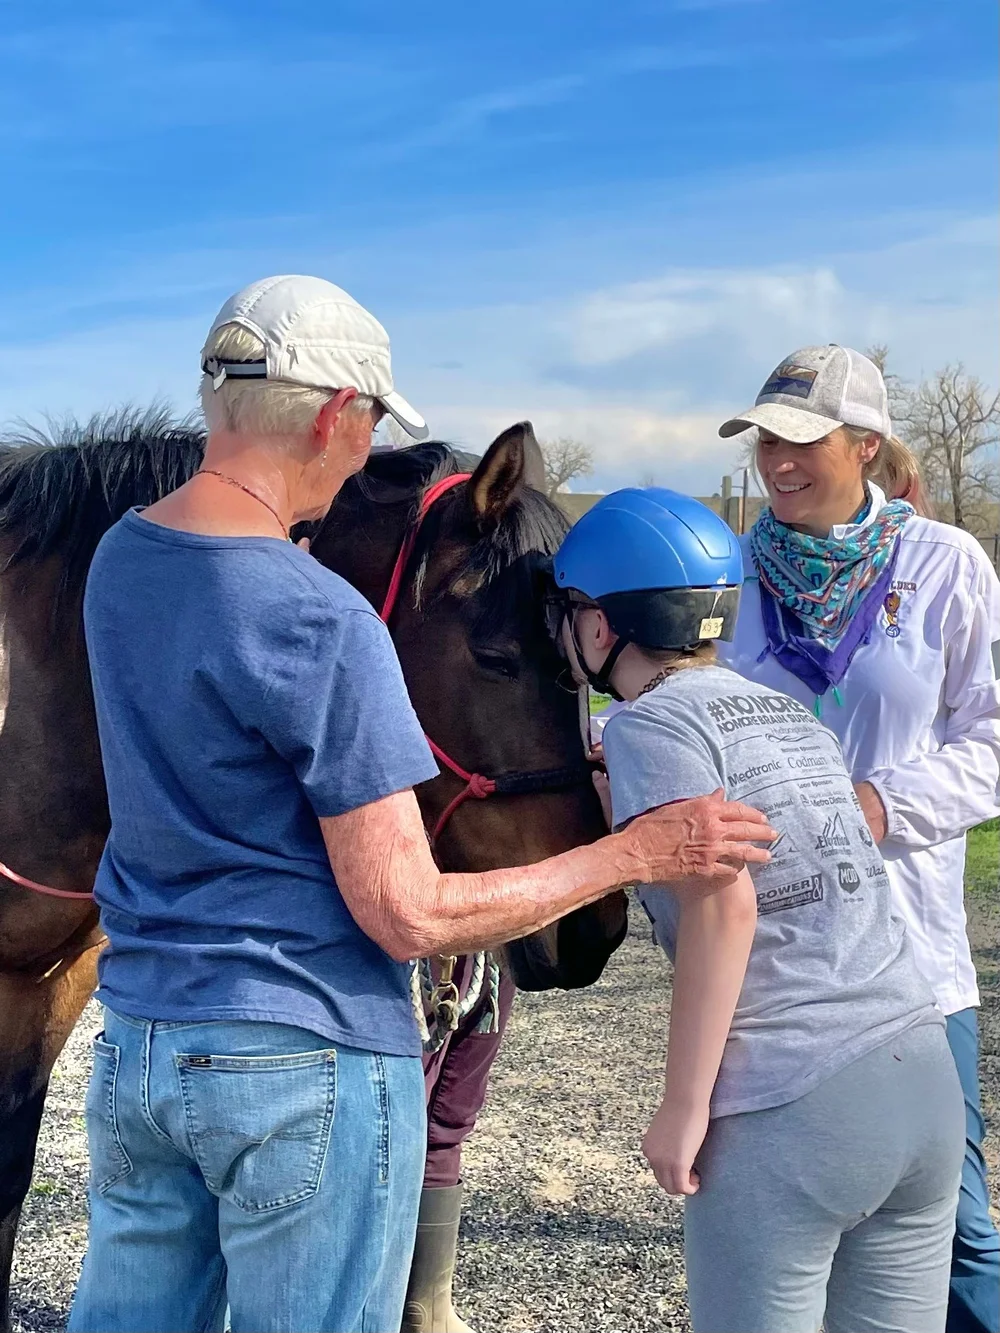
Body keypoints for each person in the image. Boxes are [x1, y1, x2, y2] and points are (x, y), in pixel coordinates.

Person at [67, 275, 777, 1333]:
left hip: (143, 1043)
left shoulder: (121, 559)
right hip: (300, 1056)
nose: (363, 458)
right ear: (329, 416)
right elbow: (409, 913)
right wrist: (629, 853)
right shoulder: (320, 617)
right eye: (366, 432)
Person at [547, 486, 966, 1333]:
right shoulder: (789, 715)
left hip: (797, 1103)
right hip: (922, 1082)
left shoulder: (645, 724)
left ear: (598, 627)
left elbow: (724, 906)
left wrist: (682, 1106)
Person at [718, 344, 1000, 1333]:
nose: (776, 460)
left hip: (912, 960)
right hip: (770, 960)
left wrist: (880, 805)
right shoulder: (731, 577)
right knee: (778, 1225)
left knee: (956, 1230)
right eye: (765, 439)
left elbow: (991, 738)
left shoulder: (944, 565)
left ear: (866, 445)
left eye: (802, 439)